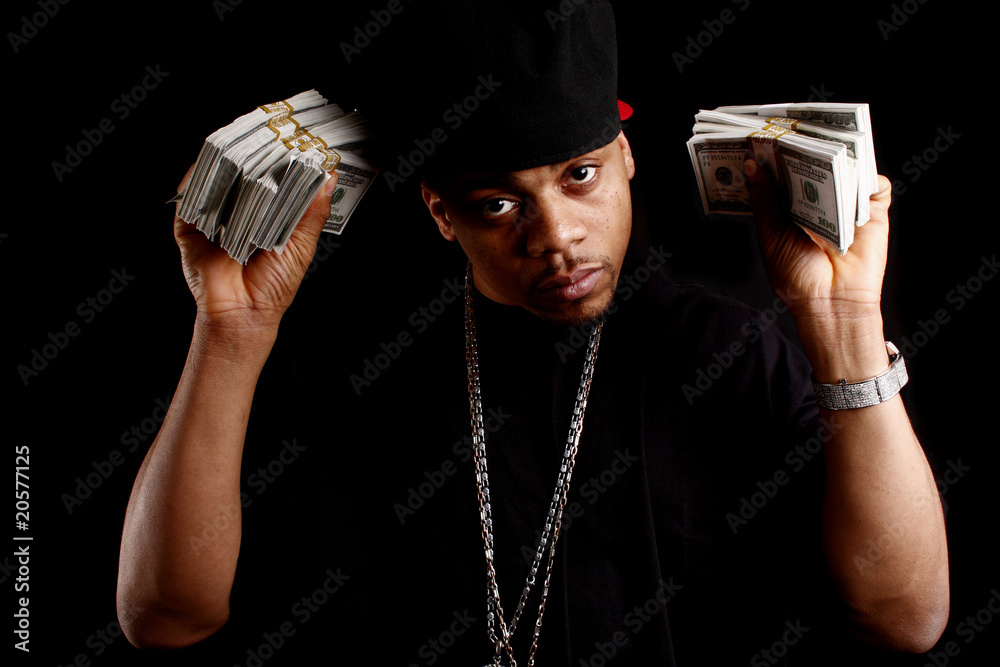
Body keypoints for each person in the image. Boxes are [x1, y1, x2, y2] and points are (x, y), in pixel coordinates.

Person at [116, 2, 948, 664]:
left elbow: (905, 620)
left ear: (625, 156)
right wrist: (231, 331)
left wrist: (845, 326)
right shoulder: (355, 367)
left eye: (579, 176)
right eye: (498, 202)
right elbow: (164, 618)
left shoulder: (722, 353)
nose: (556, 235)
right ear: (442, 213)